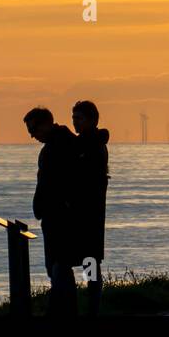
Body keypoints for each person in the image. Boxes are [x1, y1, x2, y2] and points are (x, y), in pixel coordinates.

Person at [23, 107, 79, 316]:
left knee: (58, 265)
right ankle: (64, 310)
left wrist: (54, 206)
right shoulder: (61, 142)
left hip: (59, 217)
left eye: (33, 129)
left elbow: (54, 183)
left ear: (45, 124)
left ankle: (58, 311)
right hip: (56, 214)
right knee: (59, 266)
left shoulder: (57, 146)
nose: (32, 135)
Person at [70, 100, 109, 316]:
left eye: (79, 118)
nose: (75, 122)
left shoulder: (91, 146)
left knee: (90, 264)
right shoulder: (88, 143)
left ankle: (92, 308)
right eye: (73, 118)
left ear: (92, 120)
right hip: (86, 216)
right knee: (89, 263)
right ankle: (90, 306)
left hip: (89, 217)